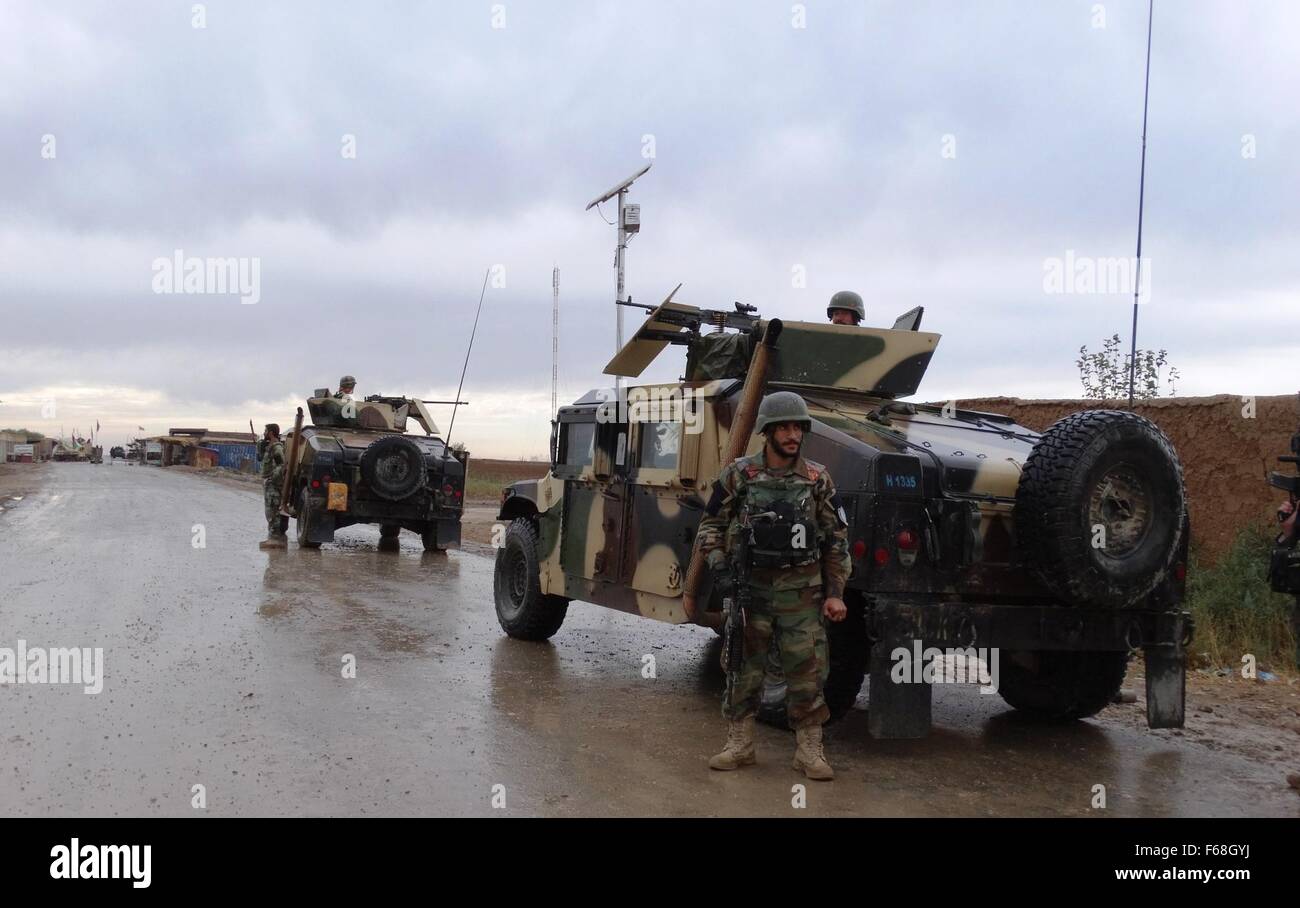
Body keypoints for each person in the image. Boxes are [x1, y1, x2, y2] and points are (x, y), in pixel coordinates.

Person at [692, 391, 850, 780]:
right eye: (785, 427)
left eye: (798, 427)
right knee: (743, 669)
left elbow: (836, 539)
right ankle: (740, 744)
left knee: (807, 672)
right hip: (752, 591)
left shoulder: (817, 479)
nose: (793, 434)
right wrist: (721, 569)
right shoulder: (739, 476)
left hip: (803, 594)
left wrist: (835, 593)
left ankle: (810, 751)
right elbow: (710, 526)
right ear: (767, 431)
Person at [257, 423, 288, 550]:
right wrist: (260, 447)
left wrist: (272, 478)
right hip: (269, 483)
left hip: (273, 485)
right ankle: (274, 538)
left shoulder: (277, 447)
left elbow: (282, 464)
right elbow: (261, 459)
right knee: (270, 511)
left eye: (265, 431)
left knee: (272, 511)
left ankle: (275, 539)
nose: (264, 433)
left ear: (270, 432)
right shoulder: (269, 446)